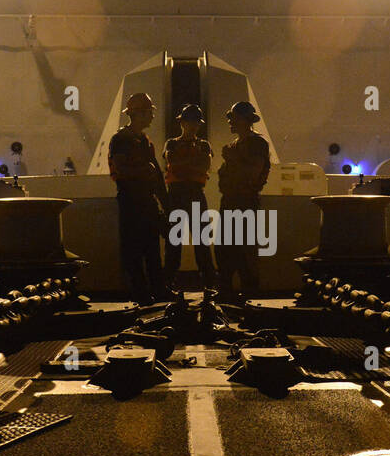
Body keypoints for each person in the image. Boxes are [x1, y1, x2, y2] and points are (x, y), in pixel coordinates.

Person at [108, 93, 168, 304]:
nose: (152, 116)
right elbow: (121, 169)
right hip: (131, 201)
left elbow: (156, 174)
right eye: (149, 112)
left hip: (145, 201)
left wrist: (164, 202)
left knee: (151, 249)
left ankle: (157, 291)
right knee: (135, 249)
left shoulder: (143, 141)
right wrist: (145, 171)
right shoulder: (121, 140)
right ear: (138, 113)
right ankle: (142, 294)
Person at [216, 101, 271, 300]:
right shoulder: (237, 145)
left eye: (233, 117)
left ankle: (249, 293)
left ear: (244, 120)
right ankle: (227, 291)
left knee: (244, 250)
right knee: (224, 248)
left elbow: (253, 175)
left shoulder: (257, 144)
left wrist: (233, 159)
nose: (230, 121)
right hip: (230, 202)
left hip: (245, 202)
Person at [162, 104, 217, 292]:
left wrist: (184, 165)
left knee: (201, 241)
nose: (192, 125)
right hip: (181, 195)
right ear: (182, 122)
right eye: (189, 121)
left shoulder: (201, 145)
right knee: (174, 242)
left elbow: (203, 165)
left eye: (195, 122)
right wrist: (193, 164)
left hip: (190, 194)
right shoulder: (173, 144)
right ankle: (168, 283)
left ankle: (209, 284)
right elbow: (176, 164)